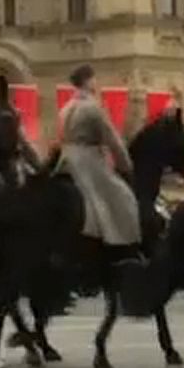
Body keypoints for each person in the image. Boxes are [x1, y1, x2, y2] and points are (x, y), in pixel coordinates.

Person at [52, 63, 139, 250]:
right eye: (94, 78)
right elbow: (111, 138)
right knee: (122, 197)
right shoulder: (93, 107)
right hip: (87, 160)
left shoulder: (66, 108)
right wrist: (126, 166)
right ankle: (118, 242)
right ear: (88, 81)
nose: (96, 82)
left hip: (65, 160)